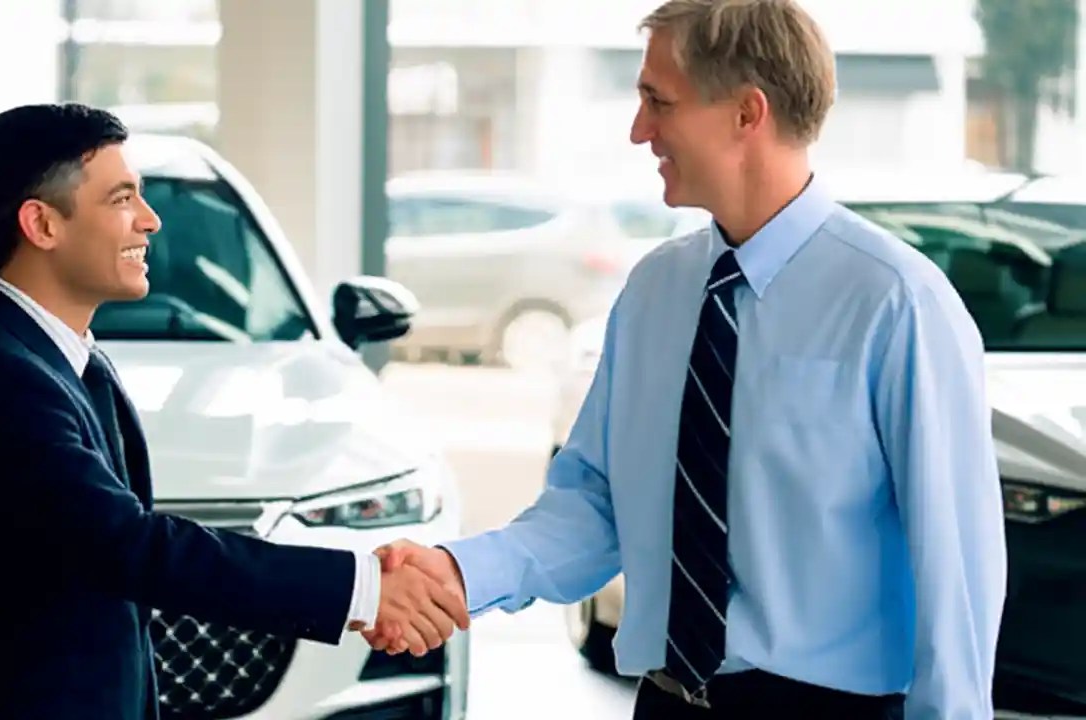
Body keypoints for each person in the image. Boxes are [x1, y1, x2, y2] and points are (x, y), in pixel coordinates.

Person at [368, 1, 1007, 718]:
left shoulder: (897, 303)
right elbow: (598, 508)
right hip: (667, 703)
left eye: (657, 101)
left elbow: (957, 578)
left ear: (746, 113)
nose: (639, 130)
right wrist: (458, 572)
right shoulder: (656, 292)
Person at [0, 103, 468, 720]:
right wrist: (361, 588)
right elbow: (128, 544)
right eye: (121, 199)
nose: (149, 221)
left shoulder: (52, 355)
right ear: (42, 224)